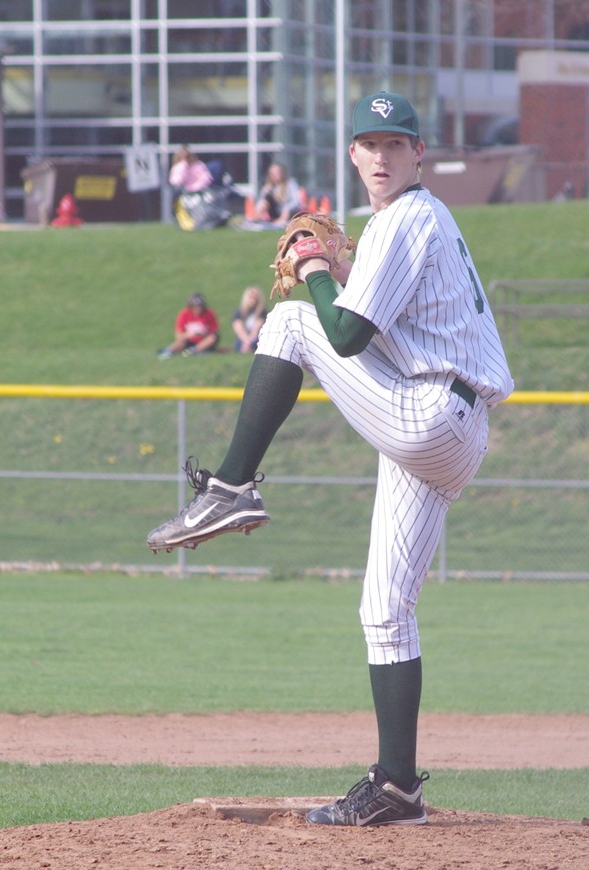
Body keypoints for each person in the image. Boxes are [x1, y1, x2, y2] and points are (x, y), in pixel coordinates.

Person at [146, 89, 514, 826]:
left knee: (289, 322)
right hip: (444, 423)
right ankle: (399, 787)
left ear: (418, 154)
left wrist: (315, 269)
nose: (382, 156)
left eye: (395, 144)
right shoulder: (410, 222)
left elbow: (343, 338)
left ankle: (231, 487)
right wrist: (339, 277)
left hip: (431, 413)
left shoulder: (405, 218)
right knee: (385, 609)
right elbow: (381, 328)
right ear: (352, 153)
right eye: (370, 144)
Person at [157, 292, 220, 359]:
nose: (198, 309)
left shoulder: (209, 313)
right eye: (195, 306)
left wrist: (203, 333)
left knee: (212, 338)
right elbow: (178, 336)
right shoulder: (184, 314)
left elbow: (214, 331)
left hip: (203, 341)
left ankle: (191, 351)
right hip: (188, 341)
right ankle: (168, 351)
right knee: (181, 342)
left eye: (200, 306)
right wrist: (188, 335)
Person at [249, 162, 305, 226]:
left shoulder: (291, 183)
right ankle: (255, 220)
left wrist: (286, 208)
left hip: (289, 212)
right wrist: (266, 192)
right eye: (273, 173)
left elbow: (296, 202)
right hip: (275, 211)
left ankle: (281, 222)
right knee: (266, 199)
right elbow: (261, 202)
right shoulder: (269, 186)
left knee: (286, 210)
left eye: (278, 172)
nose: (275, 175)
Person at [231, 286, 267, 354]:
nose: (253, 300)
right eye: (251, 298)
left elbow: (257, 329)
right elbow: (238, 327)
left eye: (255, 298)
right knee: (240, 344)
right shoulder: (240, 312)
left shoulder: (262, 313)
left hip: (257, 338)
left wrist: (250, 341)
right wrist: (246, 340)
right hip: (243, 338)